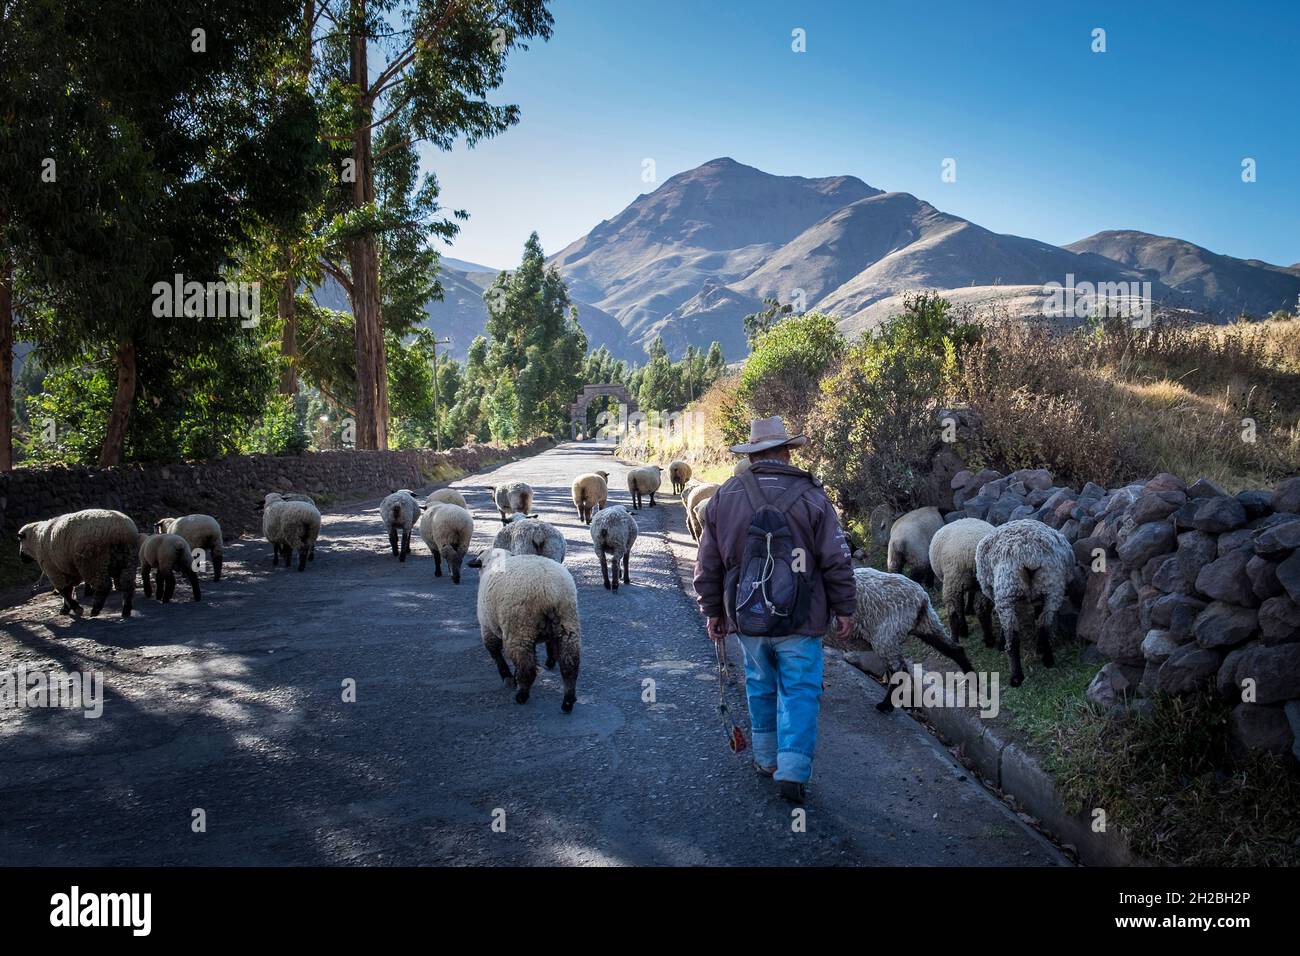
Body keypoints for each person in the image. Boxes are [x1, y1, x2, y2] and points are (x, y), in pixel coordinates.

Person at [693, 415, 856, 803]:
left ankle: (766, 759)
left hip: (747, 616)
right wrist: (845, 606)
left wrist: (713, 610)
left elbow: (709, 561)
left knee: (759, 682)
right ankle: (793, 770)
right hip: (803, 617)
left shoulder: (725, 495)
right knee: (799, 688)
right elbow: (836, 558)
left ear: (751, 456)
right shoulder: (813, 496)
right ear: (787, 452)